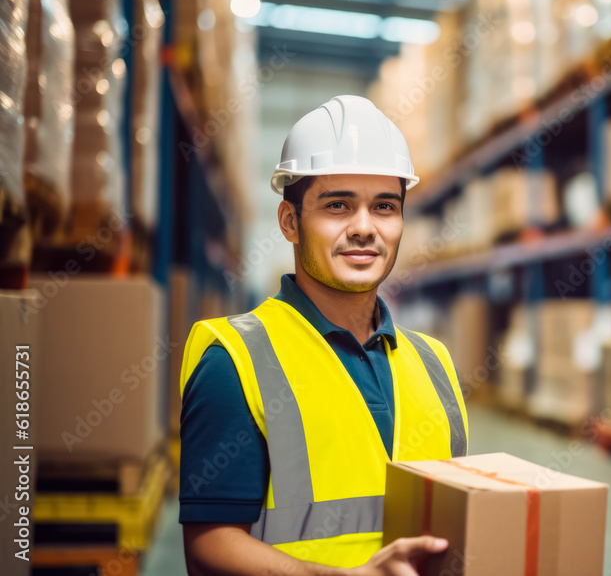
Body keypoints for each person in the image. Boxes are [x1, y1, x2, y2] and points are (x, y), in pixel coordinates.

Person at [178, 96, 469, 575]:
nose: (364, 228)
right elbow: (209, 547)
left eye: (384, 207)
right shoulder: (237, 358)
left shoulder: (433, 362)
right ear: (291, 222)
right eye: (338, 206)